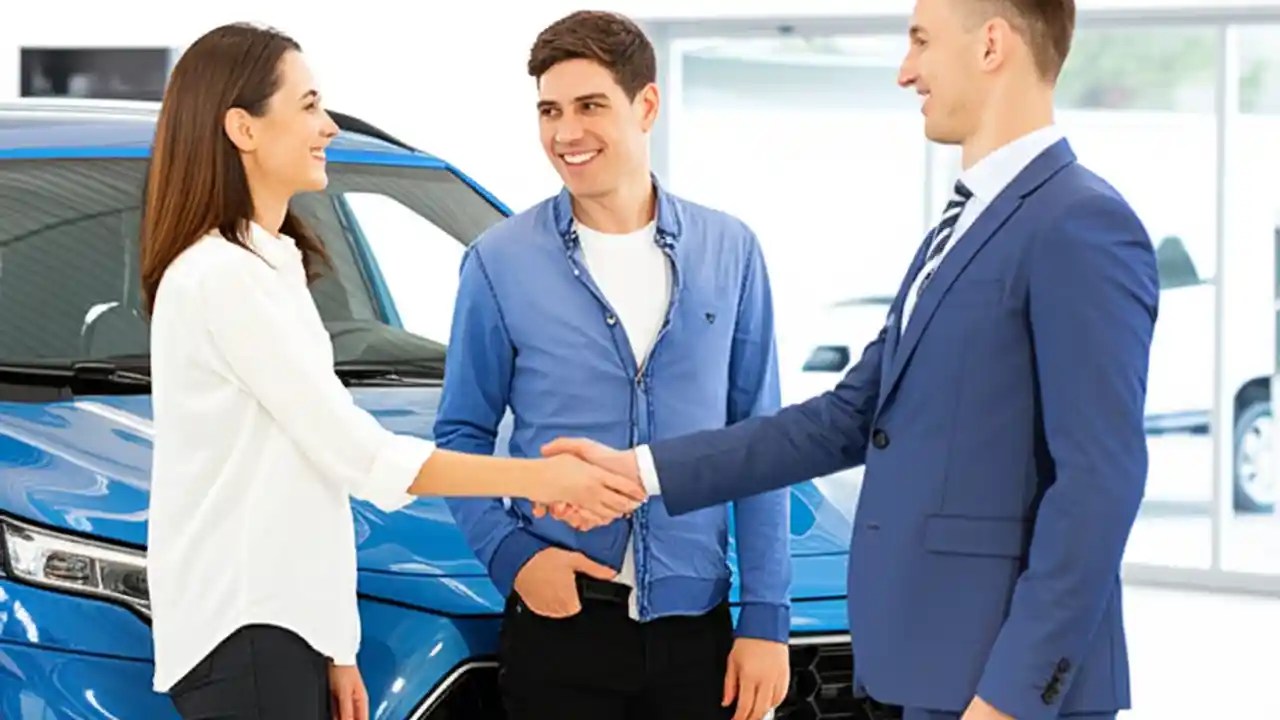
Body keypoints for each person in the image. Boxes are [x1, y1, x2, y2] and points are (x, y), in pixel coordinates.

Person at [544, 1, 1157, 719]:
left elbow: (1098, 487)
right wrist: (643, 470)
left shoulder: (1080, 223)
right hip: (930, 670)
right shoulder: (961, 230)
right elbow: (843, 418)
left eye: (921, 42)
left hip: (1002, 690)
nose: (906, 72)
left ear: (992, 45)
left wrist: (1014, 697)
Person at [140, 23, 644, 720]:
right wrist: (539, 477)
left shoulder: (270, 265)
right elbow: (356, 454)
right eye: (309, 105)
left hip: (283, 629)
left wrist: (335, 645)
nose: (327, 128)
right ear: (242, 128)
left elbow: (296, 479)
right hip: (246, 627)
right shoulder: (223, 277)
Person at [435, 11, 792, 720]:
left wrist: (765, 620)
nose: (566, 133)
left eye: (590, 105)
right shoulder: (498, 263)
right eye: (549, 111)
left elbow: (762, 445)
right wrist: (516, 561)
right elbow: (460, 437)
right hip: (561, 624)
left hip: (700, 633)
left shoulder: (732, 252)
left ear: (646, 106)